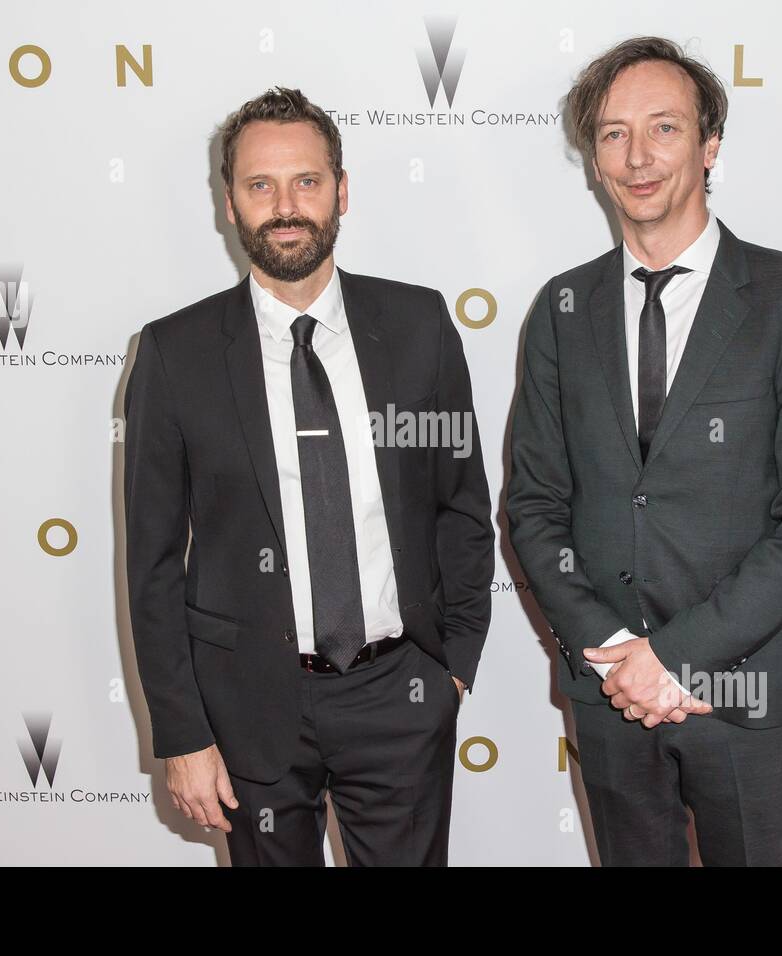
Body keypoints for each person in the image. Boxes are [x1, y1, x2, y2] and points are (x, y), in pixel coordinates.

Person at [123, 87, 494, 866]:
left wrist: (453, 666)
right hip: (247, 701)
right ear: (229, 203)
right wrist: (183, 732)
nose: (285, 206)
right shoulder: (174, 353)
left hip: (400, 690)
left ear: (342, 191)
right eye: (260, 185)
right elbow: (152, 563)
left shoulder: (419, 324)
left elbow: (462, 506)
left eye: (307, 182)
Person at [507, 37, 782, 866]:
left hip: (744, 695)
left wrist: (675, 657)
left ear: (710, 145)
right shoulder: (560, 309)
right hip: (609, 696)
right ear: (593, 158)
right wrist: (617, 657)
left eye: (664, 129)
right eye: (615, 134)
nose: (638, 156)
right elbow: (532, 504)